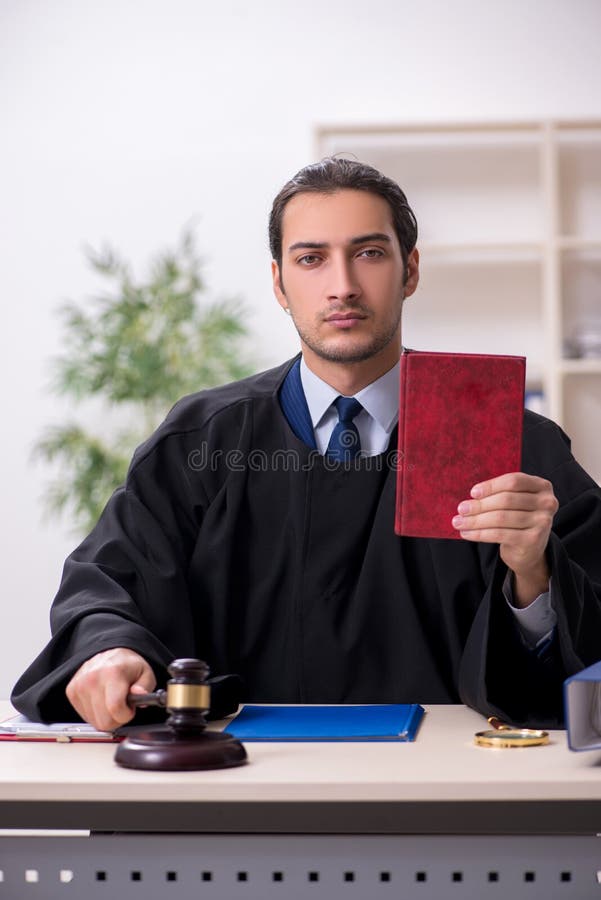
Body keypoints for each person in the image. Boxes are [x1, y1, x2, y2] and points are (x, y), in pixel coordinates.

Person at [12, 158, 601, 732]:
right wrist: (108, 650)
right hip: (237, 794)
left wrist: (534, 574)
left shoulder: (508, 441)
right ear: (279, 283)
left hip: (452, 793)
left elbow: (585, 639)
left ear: (410, 271)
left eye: (369, 253)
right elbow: (110, 582)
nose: (342, 286)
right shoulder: (202, 441)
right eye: (311, 259)